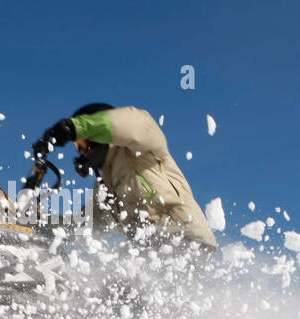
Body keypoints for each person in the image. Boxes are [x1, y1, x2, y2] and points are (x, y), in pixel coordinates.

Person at [33, 102, 217, 250]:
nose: (83, 152)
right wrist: (38, 225)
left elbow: (132, 123)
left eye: (85, 143)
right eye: (78, 147)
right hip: (150, 249)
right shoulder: (105, 186)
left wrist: (76, 127)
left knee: (118, 283)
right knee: (105, 287)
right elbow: (84, 226)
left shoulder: (140, 148)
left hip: (184, 238)